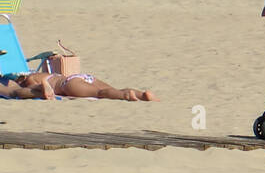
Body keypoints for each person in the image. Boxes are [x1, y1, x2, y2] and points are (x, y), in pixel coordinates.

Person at [1, 72, 157, 101]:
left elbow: (34, 89)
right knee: (113, 90)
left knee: (101, 93)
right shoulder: (44, 73)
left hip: (68, 84)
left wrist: (45, 86)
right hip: (82, 76)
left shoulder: (30, 78)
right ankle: (142, 95)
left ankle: (127, 95)